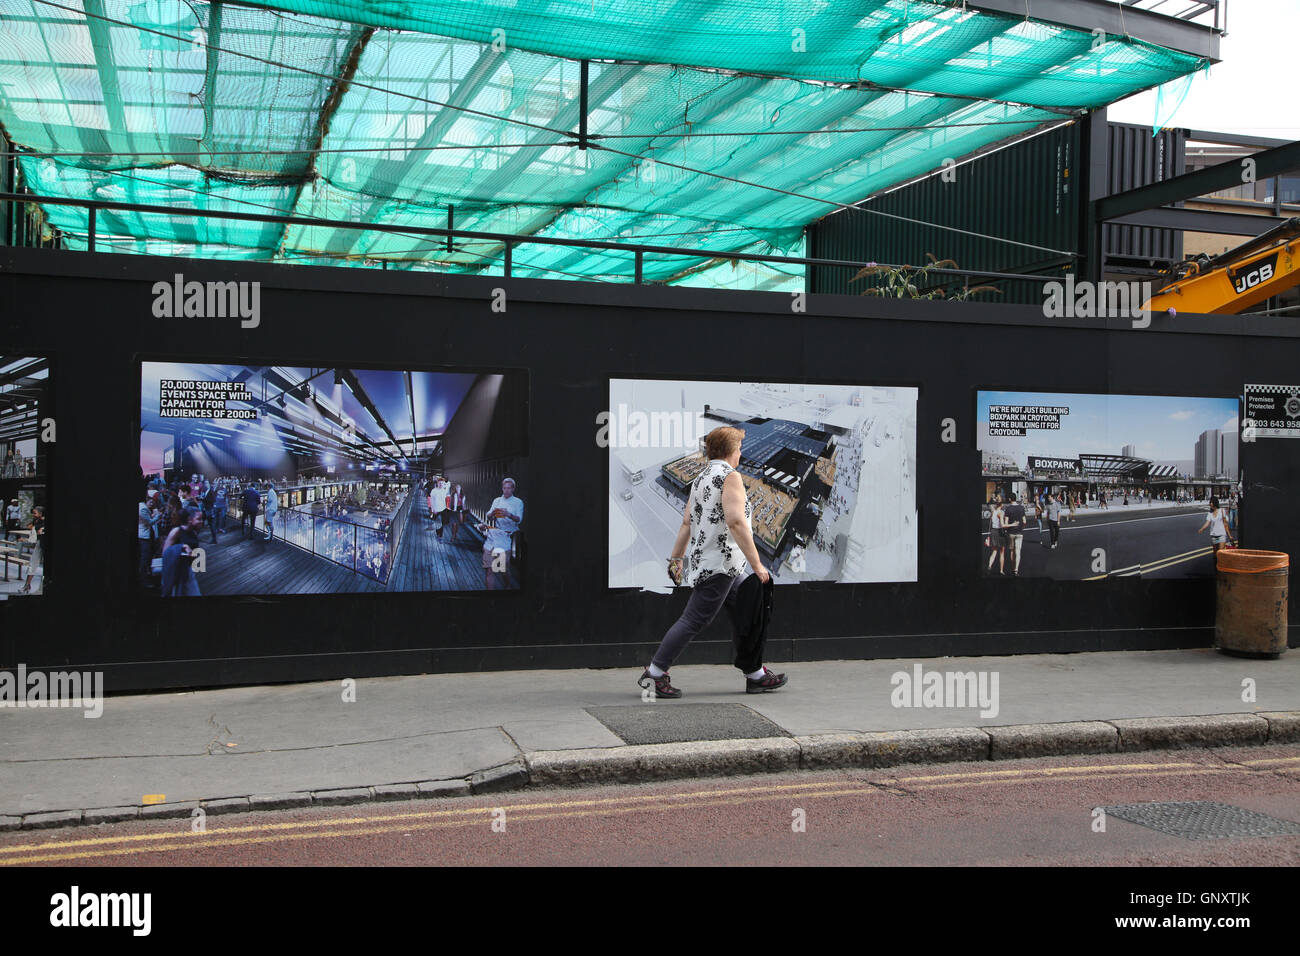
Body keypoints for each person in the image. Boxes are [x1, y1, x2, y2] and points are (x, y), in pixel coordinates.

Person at [639, 426, 786, 698]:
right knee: (693, 619)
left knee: (749, 614)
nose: (741, 453)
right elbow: (736, 521)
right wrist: (757, 564)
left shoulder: (701, 477)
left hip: (716, 563)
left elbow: (686, 523)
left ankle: (755, 674)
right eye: (739, 448)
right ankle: (655, 674)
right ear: (731, 451)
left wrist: (676, 559)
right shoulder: (731, 477)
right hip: (723, 564)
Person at [478, 478, 523, 589]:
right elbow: (488, 515)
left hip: (506, 538)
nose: (506, 490)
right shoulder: (497, 500)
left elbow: (519, 520)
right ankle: (490, 598)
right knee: (489, 570)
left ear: (513, 489)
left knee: (503, 569)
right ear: (502, 488)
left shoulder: (518, 502)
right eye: (504, 488)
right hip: (493, 536)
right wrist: (492, 513)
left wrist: (509, 514)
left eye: (509, 488)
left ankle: (507, 586)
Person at [161, 504, 204, 596]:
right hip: (175, 572)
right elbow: (165, 553)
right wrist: (182, 547)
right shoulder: (176, 531)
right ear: (189, 520)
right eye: (199, 519)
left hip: (187, 571)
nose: (202, 521)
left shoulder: (194, 531)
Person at [1001, 492, 1026, 576]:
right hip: (1019, 532)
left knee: (1012, 551)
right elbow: (1024, 521)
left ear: (1010, 499)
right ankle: (1016, 570)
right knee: (1018, 552)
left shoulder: (1008, 509)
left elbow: (1005, 523)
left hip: (1011, 532)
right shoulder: (1021, 508)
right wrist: (1021, 527)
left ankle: (1012, 568)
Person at [986, 496, 1005, 575]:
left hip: (993, 531)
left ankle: (989, 565)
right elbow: (1002, 525)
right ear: (1002, 504)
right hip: (999, 532)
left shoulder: (993, 511)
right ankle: (1001, 570)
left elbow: (989, 503)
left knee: (994, 551)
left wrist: (993, 498)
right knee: (1001, 552)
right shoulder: (1001, 512)